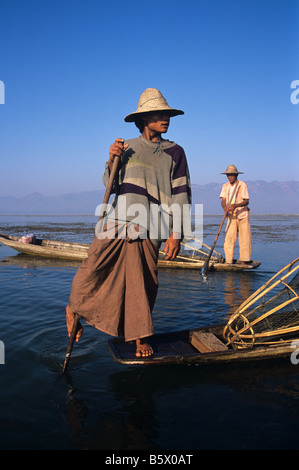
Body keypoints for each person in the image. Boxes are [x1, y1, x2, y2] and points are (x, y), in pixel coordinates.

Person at [66, 88, 191, 357]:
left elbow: (182, 194)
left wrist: (177, 233)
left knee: (143, 282)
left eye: (167, 114)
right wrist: (112, 159)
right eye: (158, 114)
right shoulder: (127, 147)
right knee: (92, 268)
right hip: (117, 220)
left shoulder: (176, 152)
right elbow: (108, 184)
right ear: (143, 119)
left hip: (153, 225)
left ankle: (139, 336)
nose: (165, 119)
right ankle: (75, 306)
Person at [219, 164, 251, 265]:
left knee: (244, 238)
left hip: (242, 214)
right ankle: (228, 261)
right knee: (229, 237)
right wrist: (224, 207)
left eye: (232, 175)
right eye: (228, 175)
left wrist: (236, 205)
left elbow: (246, 201)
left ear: (236, 175)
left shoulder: (242, 185)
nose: (230, 177)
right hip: (231, 215)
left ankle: (244, 260)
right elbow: (223, 200)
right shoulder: (225, 186)